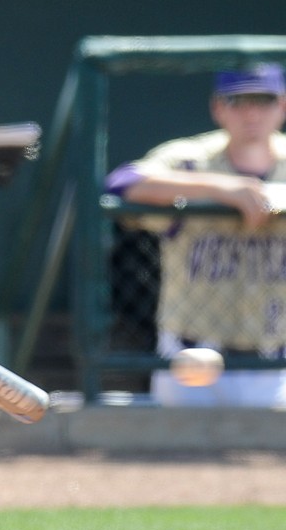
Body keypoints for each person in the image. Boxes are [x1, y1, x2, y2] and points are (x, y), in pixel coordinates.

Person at [104, 64, 286, 407]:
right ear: (218, 108)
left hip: (276, 361)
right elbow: (122, 183)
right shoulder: (190, 159)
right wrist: (224, 189)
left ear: (282, 106)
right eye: (238, 101)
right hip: (190, 355)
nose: (251, 112)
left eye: (263, 100)